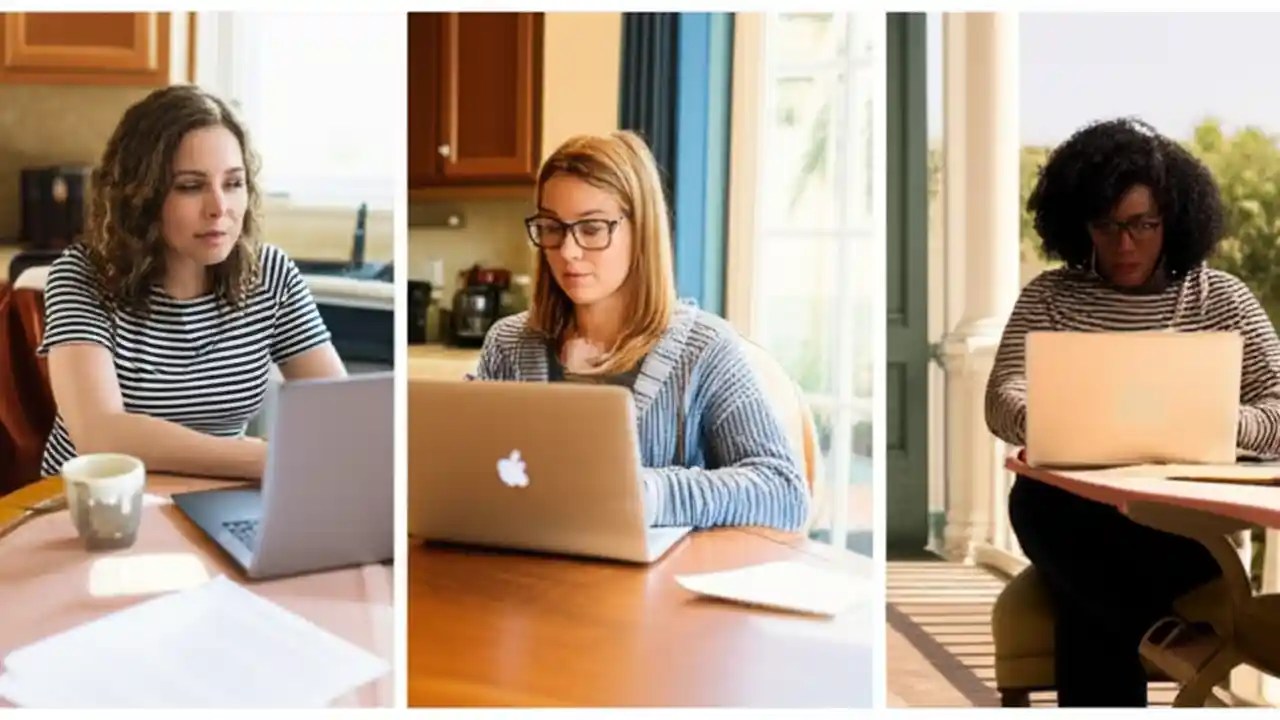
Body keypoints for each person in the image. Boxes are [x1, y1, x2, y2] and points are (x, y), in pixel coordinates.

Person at [986, 117, 1280, 707]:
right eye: (1107, 226)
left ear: (1172, 218)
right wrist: (1057, 418)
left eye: (1143, 224)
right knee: (1035, 500)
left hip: (1183, 530)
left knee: (1084, 603)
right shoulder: (1050, 296)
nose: (1125, 244)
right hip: (1077, 515)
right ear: (1079, 224)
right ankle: (1164, 632)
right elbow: (1001, 397)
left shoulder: (1222, 298)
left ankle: (1149, 628)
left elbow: (1278, 409)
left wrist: (1206, 422)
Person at [473, 131, 809, 531]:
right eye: (552, 227)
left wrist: (646, 492)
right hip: (524, 578)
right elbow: (468, 468)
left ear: (641, 230)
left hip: (648, 589)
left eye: (593, 228)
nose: (567, 251)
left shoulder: (705, 349)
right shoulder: (507, 344)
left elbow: (784, 491)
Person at [39, 85, 345, 480]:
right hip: (95, 508)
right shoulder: (81, 275)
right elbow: (100, 435)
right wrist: (266, 460)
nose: (219, 208)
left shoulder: (272, 276)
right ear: (140, 196)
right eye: (190, 186)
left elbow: (341, 416)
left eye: (233, 183)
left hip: (217, 501)